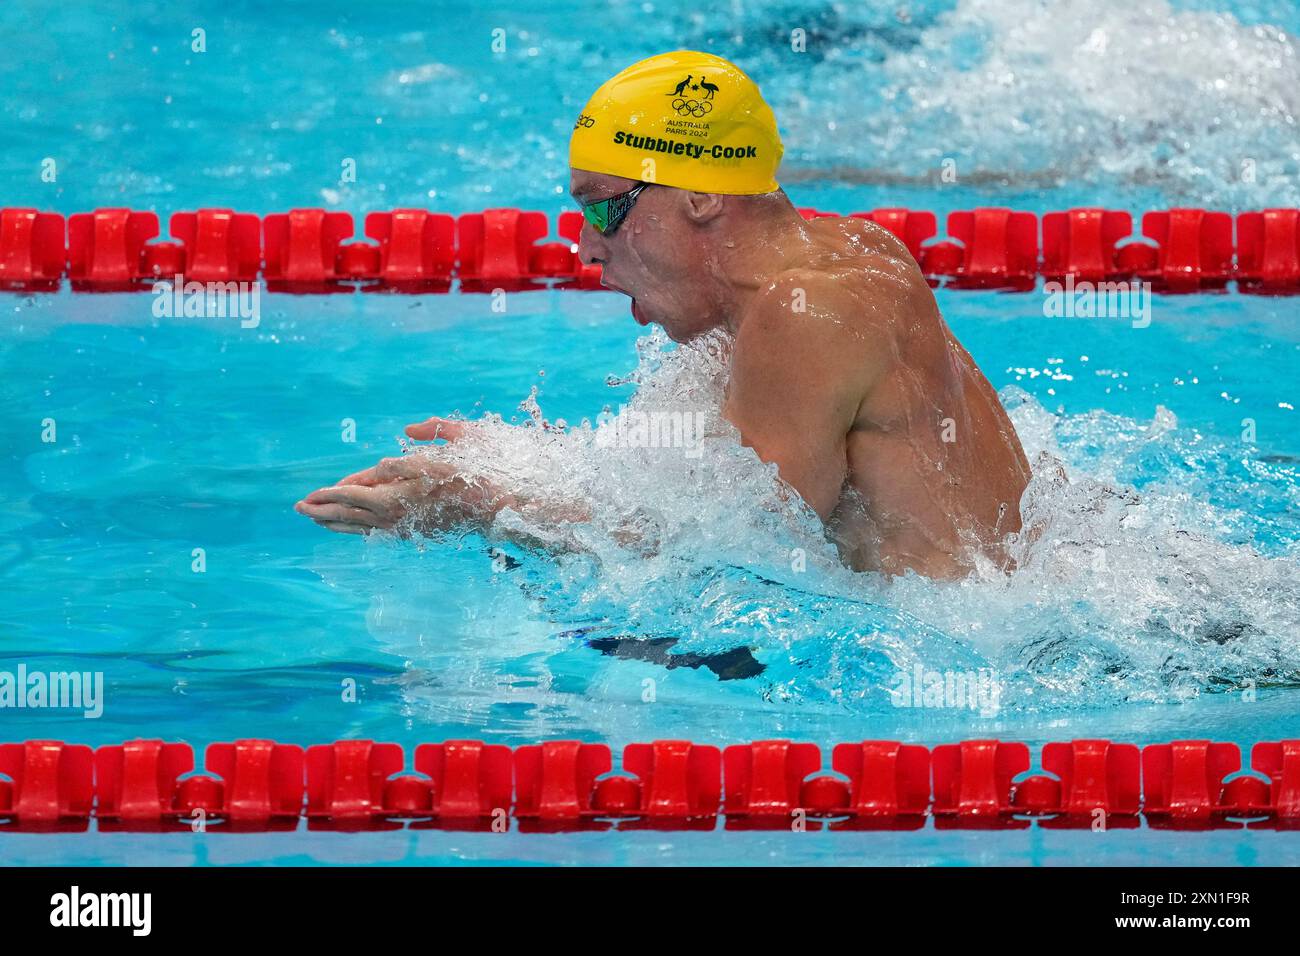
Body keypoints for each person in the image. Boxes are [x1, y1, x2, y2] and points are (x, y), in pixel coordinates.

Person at [297, 50, 1031, 580]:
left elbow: (741, 556)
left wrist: (487, 503)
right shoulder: (841, 253)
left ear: (702, 197)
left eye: (602, 207)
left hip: (969, 662)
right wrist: (526, 463)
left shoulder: (806, 312)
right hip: (1013, 600)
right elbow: (713, 488)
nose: (584, 245)